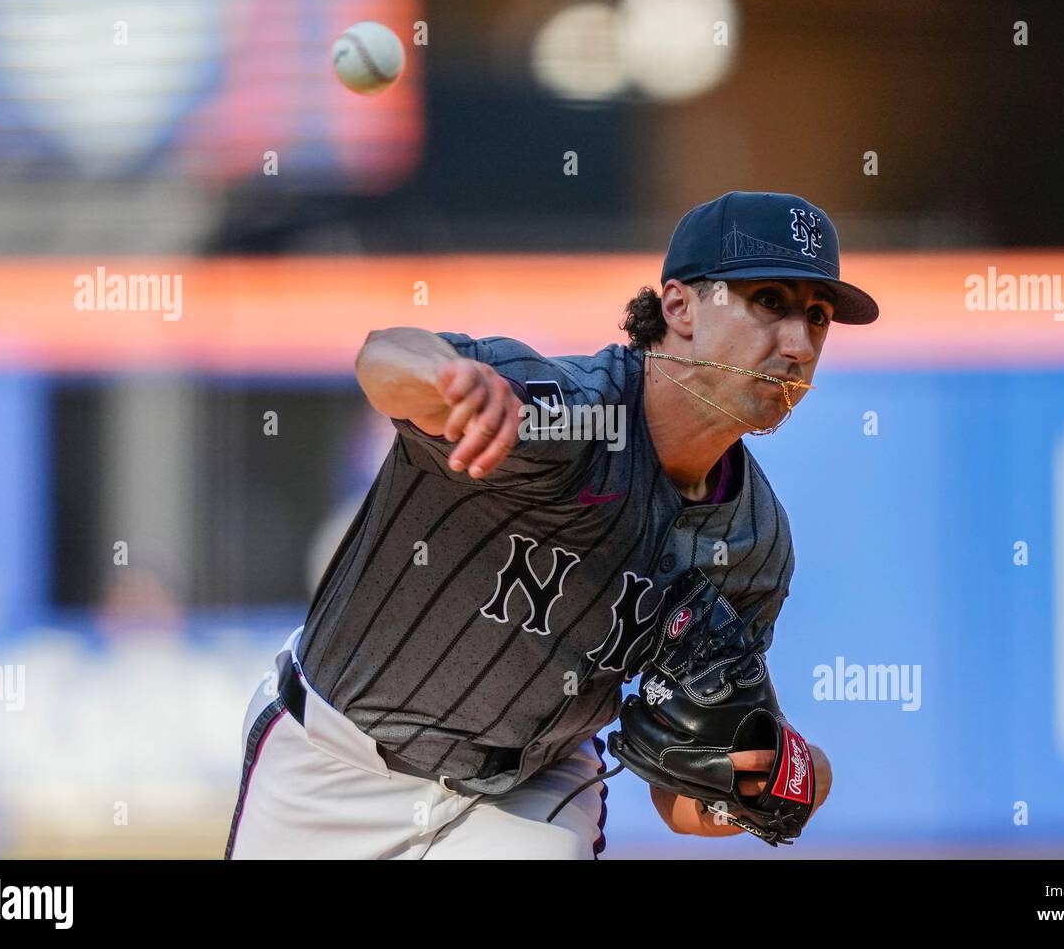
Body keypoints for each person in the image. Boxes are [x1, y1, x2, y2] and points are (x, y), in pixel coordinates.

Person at [225, 191, 877, 859]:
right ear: (680, 307)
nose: (798, 344)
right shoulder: (565, 415)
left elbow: (679, 799)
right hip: (331, 762)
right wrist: (446, 377)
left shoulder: (753, 546)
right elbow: (381, 355)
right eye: (770, 301)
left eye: (818, 318)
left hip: (528, 794)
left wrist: (757, 781)